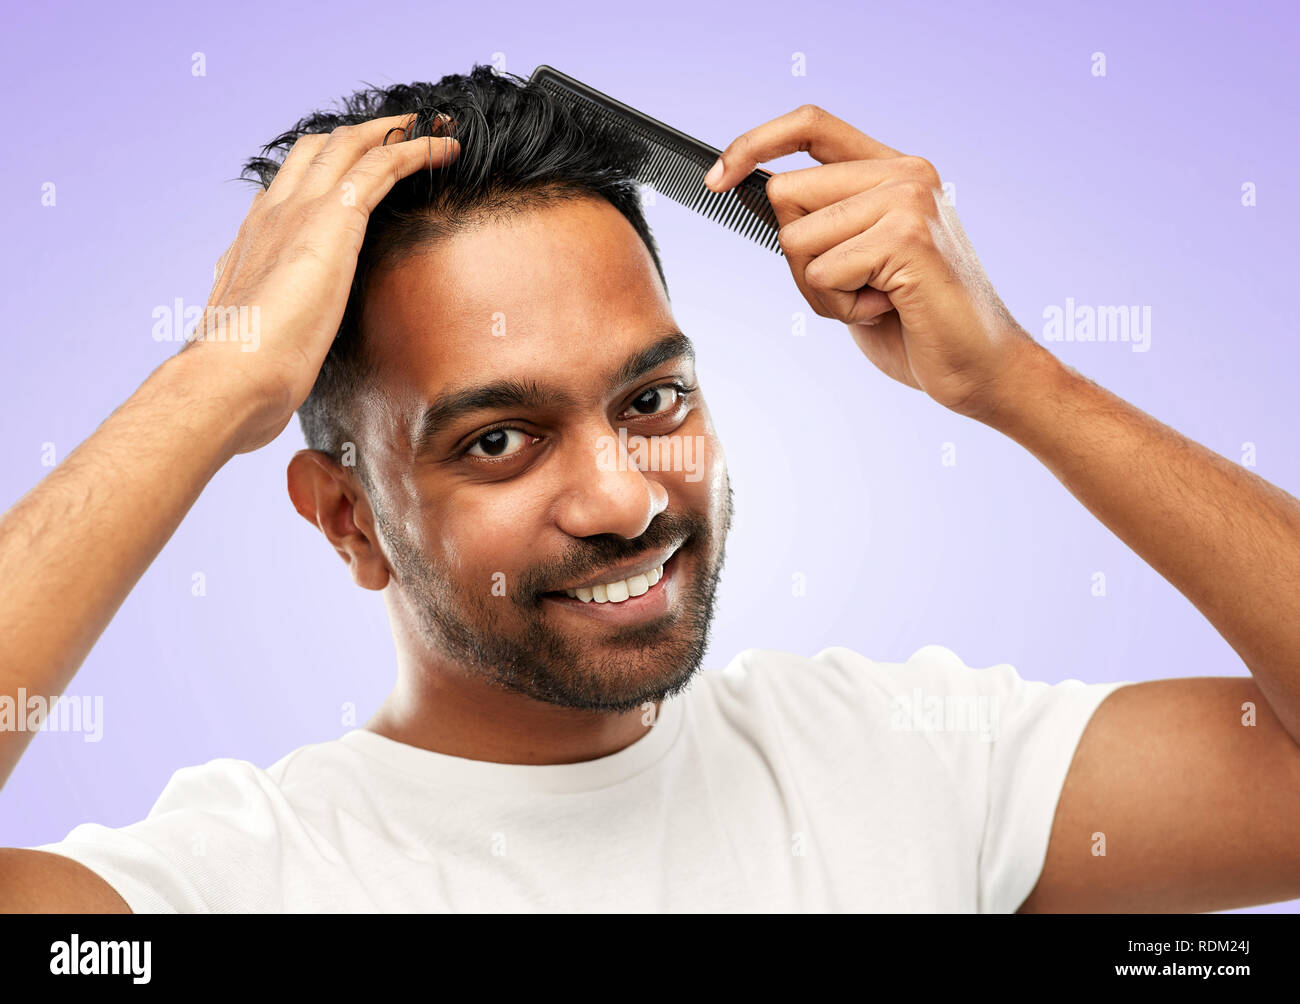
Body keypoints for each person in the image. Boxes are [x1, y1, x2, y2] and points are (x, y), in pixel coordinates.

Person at [2, 66, 1297, 913]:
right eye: (499, 442)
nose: (622, 502)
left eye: (651, 402)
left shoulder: (905, 764)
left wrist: (1017, 380)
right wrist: (213, 385)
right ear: (350, 519)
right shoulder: (234, 884)